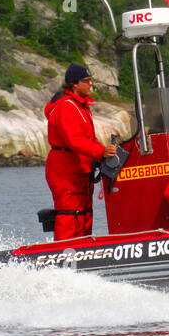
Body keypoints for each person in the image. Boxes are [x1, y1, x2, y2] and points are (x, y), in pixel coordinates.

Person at [44, 63, 118, 241]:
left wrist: (101, 157)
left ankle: (82, 252)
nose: (91, 84)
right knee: (70, 216)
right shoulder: (66, 107)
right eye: (87, 80)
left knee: (84, 214)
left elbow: (87, 139)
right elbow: (74, 140)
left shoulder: (81, 107)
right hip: (65, 172)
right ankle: (64, 255)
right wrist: (101, 152)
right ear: (75, 84)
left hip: (80, 170)